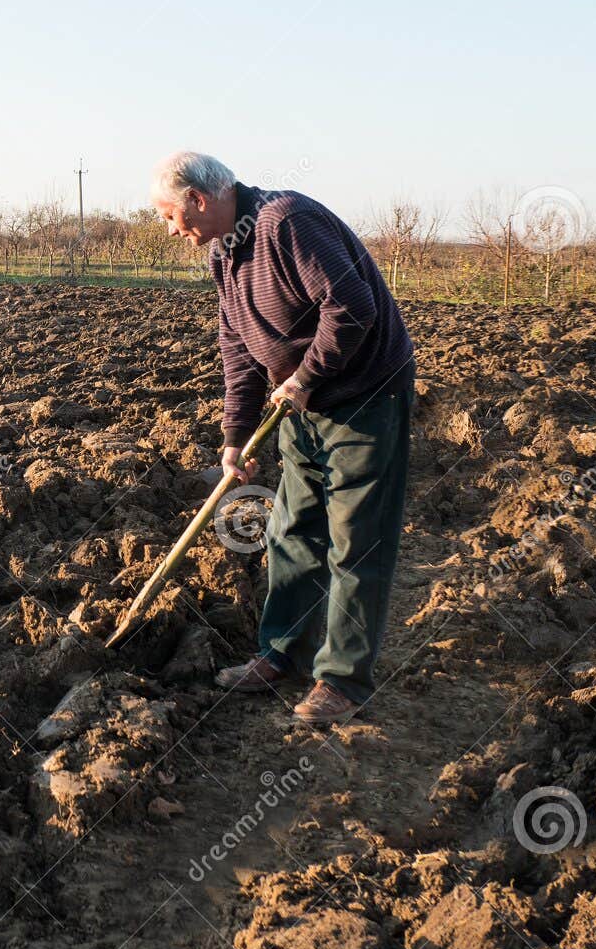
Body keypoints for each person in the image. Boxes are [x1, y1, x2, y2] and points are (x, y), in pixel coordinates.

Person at [150, 152, 415, 725]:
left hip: (365, 396)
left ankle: (342, 681)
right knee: (291, 527)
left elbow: (352, 307)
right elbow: (238, 349)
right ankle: (281, 653)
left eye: (171, 216)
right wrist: (234, 437)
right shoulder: (224, 254)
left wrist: (305, 375)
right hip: (298, 405)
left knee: (355, 538)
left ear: (198, 199)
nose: (171, 230)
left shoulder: (287, 222)